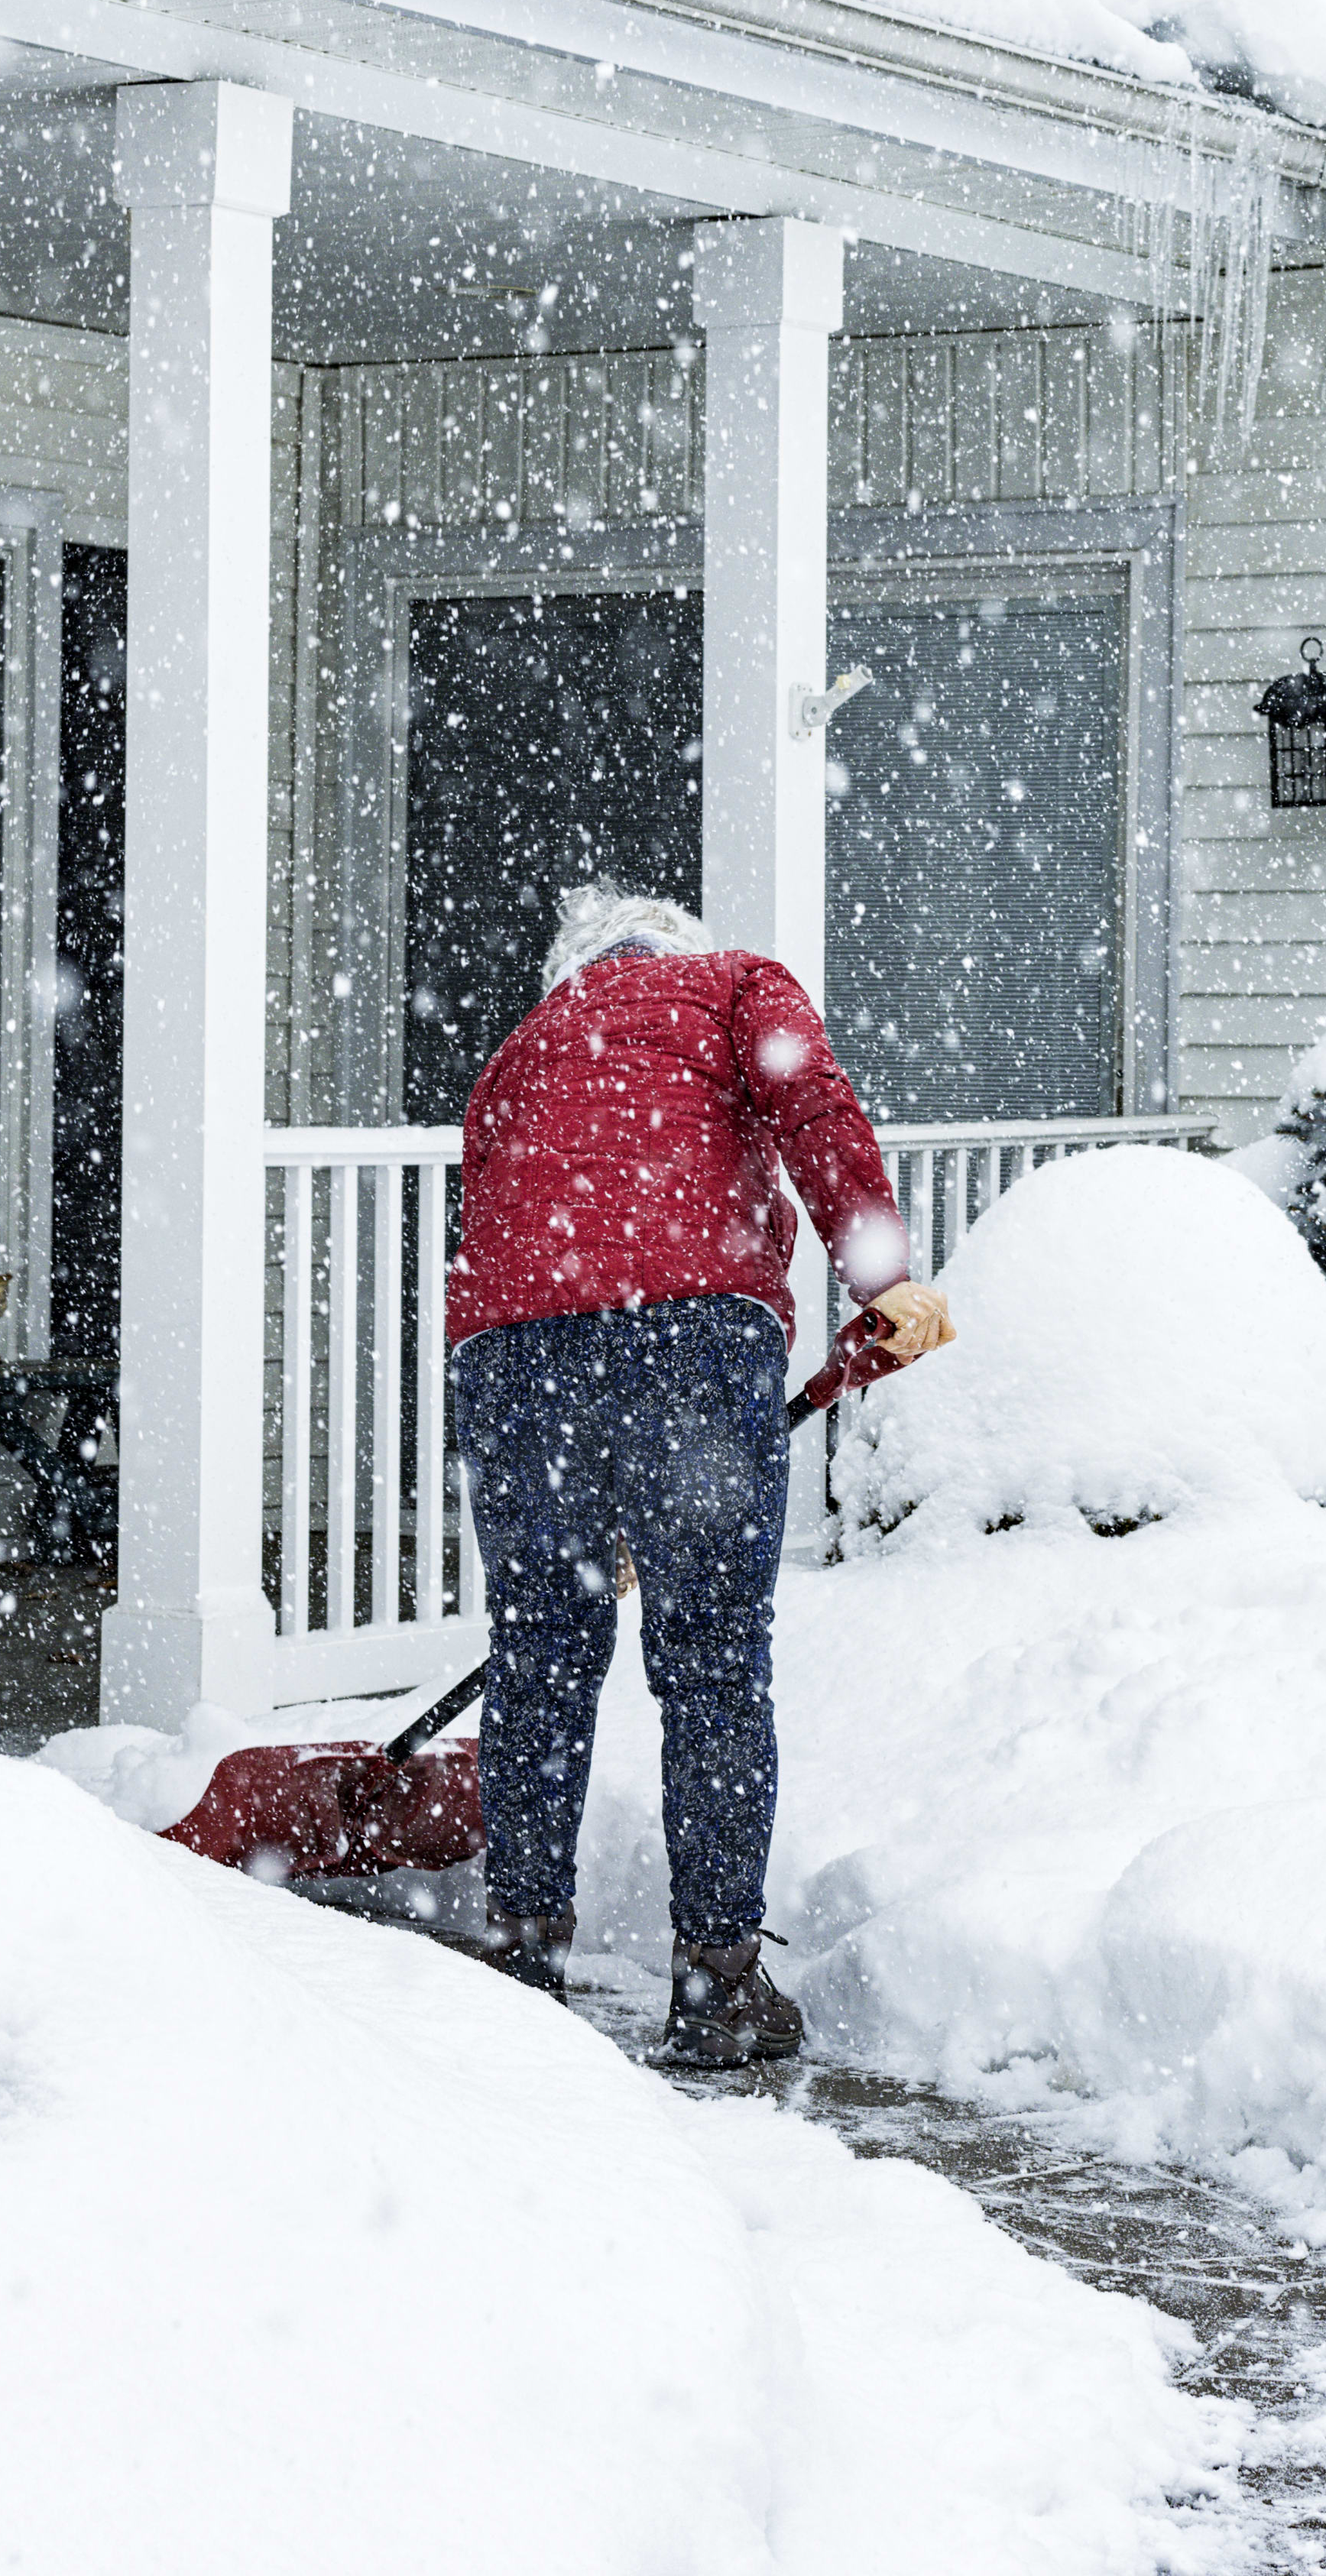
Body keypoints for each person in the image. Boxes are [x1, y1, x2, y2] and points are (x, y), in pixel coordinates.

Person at [446, 883, 955, 2067]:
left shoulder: (523, 1045)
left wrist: (576, 1447)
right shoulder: (732, 985)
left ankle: (522, 1959)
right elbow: (815, 1108)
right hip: (689, 1339)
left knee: (541, 1655)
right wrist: (883, 1282)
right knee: (713, 1664)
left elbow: (500, 1218)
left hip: (513, 1359)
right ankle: (718, 1985)